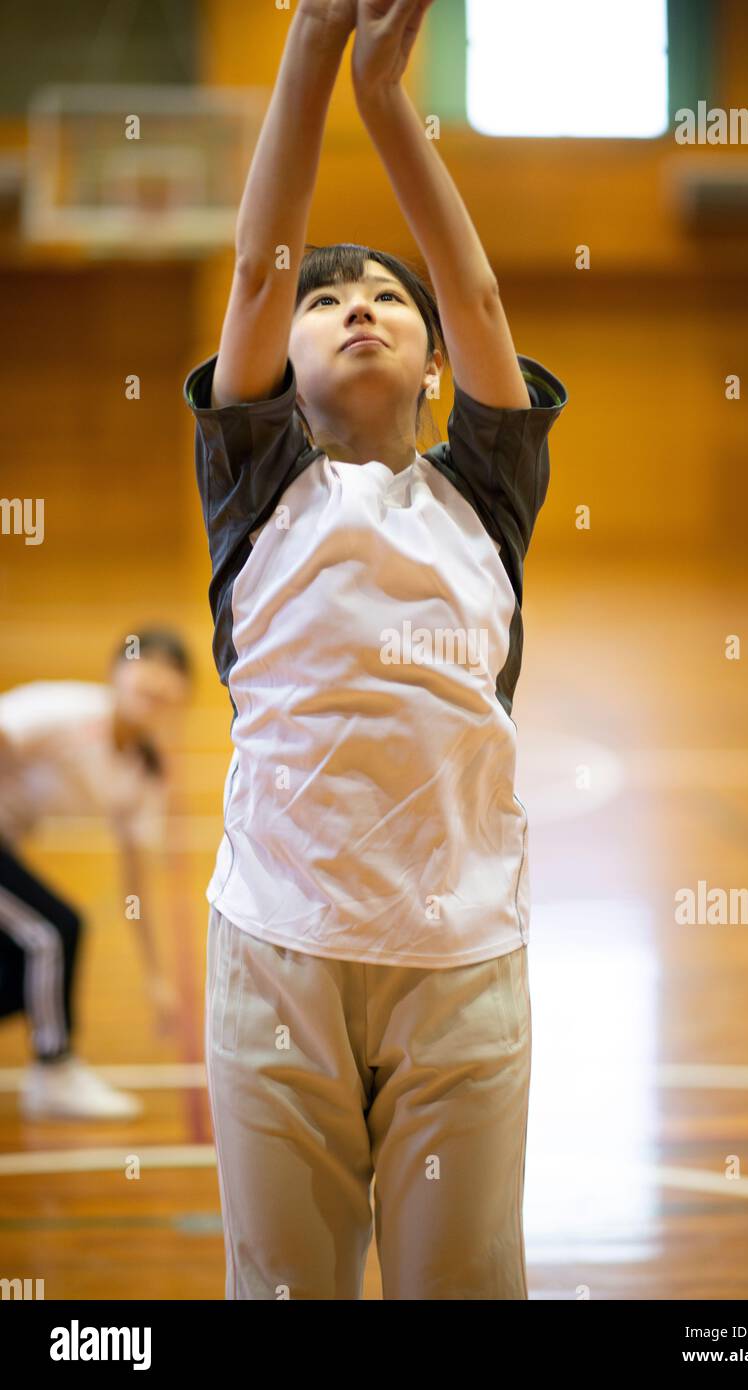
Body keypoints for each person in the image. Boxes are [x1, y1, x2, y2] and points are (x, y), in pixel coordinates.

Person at [184, 0, 568, 1299]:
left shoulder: (487, 490)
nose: (359, 308)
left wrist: (387, 98)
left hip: (458, 969)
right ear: (278, 365)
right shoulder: (255, 488)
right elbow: (252, 266)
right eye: (328, 299)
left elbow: (476, 289)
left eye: (384, 298)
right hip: (274, 953)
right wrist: (307, 45)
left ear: (433, 369)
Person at [0, 629, 191, 1119]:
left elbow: (135, 880)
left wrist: (156, 978)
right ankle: (54, 1073)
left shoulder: (143, 772)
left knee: (23, 974)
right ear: (117, 677)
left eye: (164, 697)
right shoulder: (69, 711)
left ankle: (53, 1072)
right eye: (143, 689)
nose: (151, 703)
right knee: (54, 932)